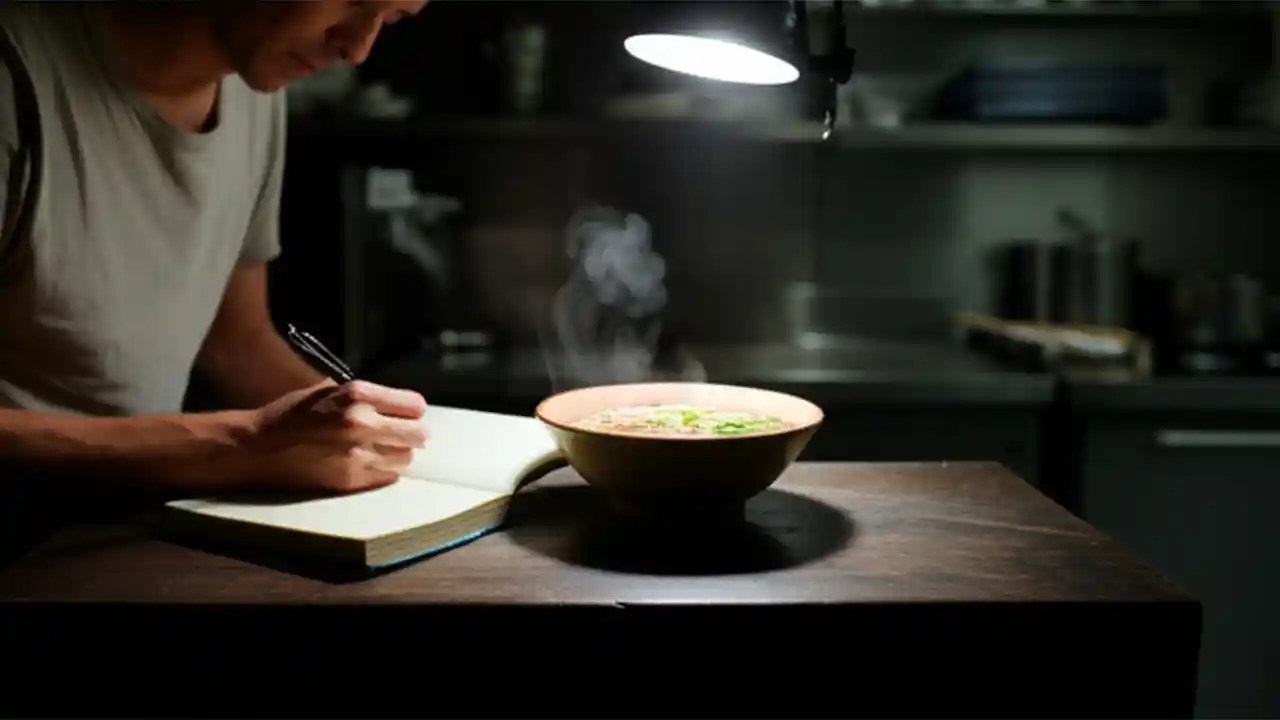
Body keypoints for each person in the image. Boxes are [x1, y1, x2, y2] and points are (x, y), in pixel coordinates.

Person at [0, 0, 433, 509]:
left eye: (393, 18)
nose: (358, 48)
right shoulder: (17, 74)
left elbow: (237, 342)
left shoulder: (255, 84)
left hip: (119, 523)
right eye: (355, 2)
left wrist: (366, 428)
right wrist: (240, 443)